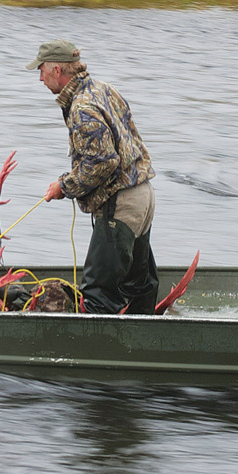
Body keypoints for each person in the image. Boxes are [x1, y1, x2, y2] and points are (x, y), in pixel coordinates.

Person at [29, 39, 160, 315]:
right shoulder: (103, 89)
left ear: (56, 70)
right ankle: (144, 342)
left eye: (41, 70)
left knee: (99, 295)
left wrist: (64, 186)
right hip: (143, 196)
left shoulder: (82, 107)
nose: (39, 77)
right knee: (140, 284)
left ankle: (99, 351)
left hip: (120, 204)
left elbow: (104, 161)